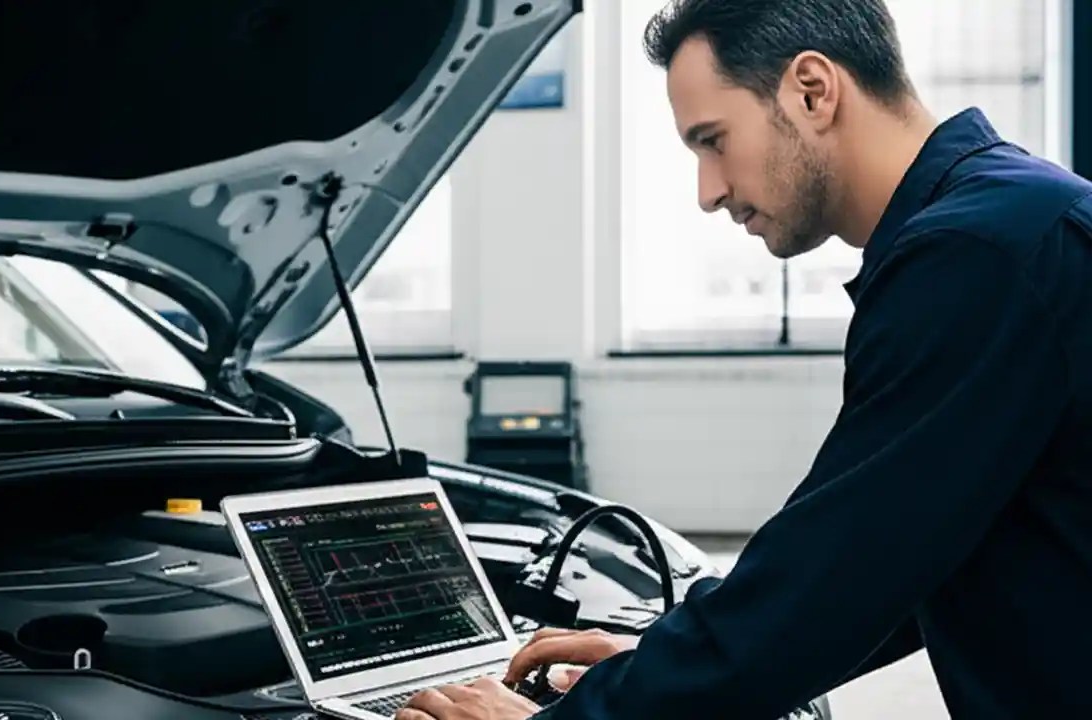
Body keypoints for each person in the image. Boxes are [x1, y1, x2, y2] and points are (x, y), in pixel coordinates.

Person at [397, 0, 1092, 717]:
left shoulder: (979, 257)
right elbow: (898, 565)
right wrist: (661, 656)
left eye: (714, 140)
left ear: (812, 91)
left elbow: (836, 572)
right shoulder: (1011, 224)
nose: (708, 191)